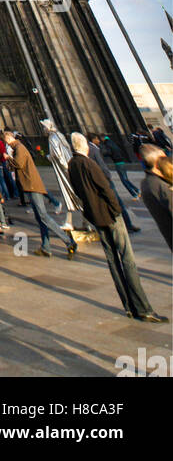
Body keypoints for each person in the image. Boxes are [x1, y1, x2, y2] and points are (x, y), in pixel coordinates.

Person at [67, 133, 167, 322]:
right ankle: (143, 307)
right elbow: (106, 188)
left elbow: (77, 191)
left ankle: (129, 306)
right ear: (85, 147)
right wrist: (117, 210)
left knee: (113, 260)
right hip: (110, 215)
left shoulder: (72, 165)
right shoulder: (89, 164)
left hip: (96, 216)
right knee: (127, 259)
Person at [4, 130, 75, 259]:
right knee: (40, 218)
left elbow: (18, 164)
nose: (6, 145)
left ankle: (69, 241)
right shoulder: (18, 148)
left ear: (9, 140)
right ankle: (46, 248)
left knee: (43, 216)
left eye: (6, 142)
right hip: (30, 186)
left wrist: (8, 158)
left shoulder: (20, 148)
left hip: (32, 185)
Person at [86, 135, 140, 234]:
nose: (98, 140)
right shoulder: (93, 149)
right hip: (104, 180)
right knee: (116, 202)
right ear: (93, 139)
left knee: (116, 202)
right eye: (97, 139)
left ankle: (126, 225)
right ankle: (126, 225)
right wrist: (107, 176)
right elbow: (101, 165)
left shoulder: (93, 149)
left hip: (103, 178)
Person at [138, 144, 172, 250]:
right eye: (163, 158)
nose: (167, 160)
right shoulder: (160, 186)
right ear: (156, 162)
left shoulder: (147, 182)